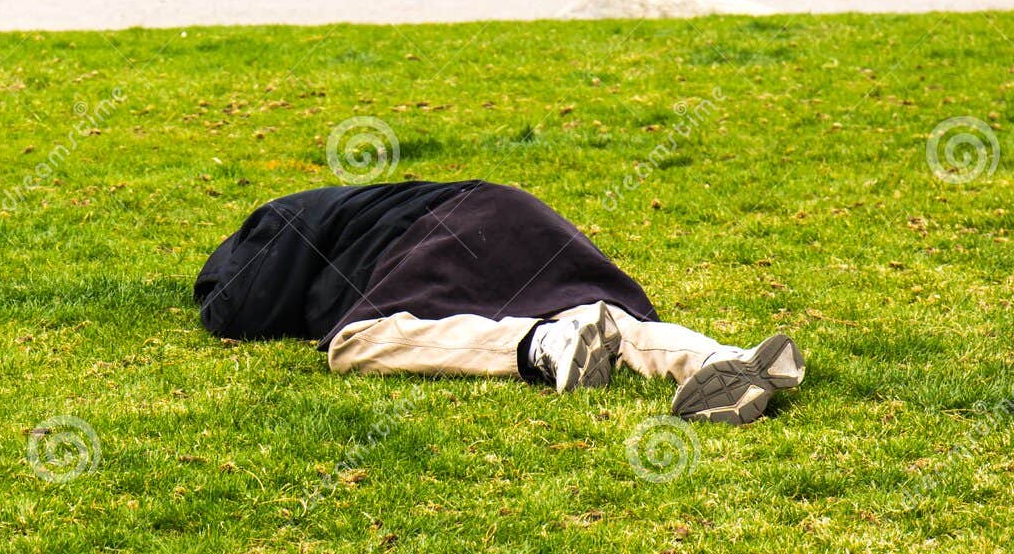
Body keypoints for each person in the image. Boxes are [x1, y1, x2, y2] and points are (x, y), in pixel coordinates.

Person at [194, 179, 804, 425]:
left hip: (438, 236)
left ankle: (543, 345)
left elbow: (241, 305)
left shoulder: (279, 220)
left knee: (357, 342)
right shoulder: (354, 201)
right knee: (596, 309)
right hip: (513, 210)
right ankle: (718, 357)